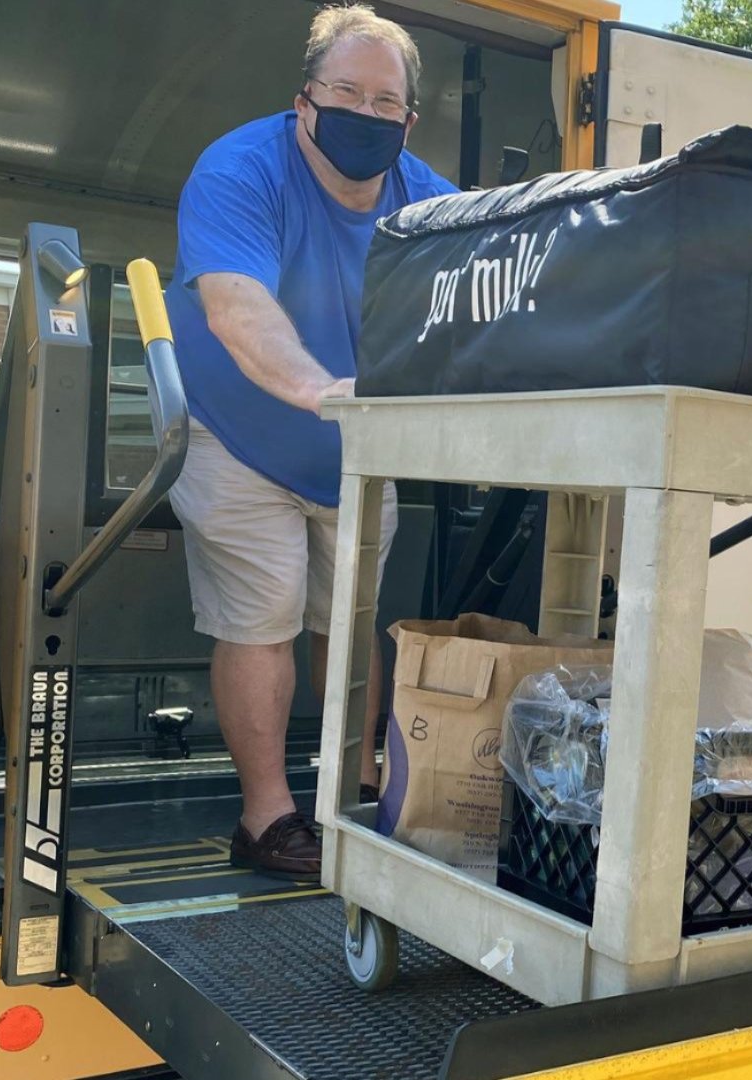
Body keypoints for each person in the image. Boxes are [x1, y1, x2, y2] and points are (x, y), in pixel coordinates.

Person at [163, 3, 458, 877]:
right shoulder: (241, 170)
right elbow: (236, 307)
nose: (365, 114)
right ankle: (267, 819)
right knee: (265, 614)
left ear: (407, 118)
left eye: (385, 102)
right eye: (346, 92)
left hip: (357, 445)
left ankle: (349, 791)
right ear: (305, 101)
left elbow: (488, 306)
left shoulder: (431, 201)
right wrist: (318, 388)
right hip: (240, 429)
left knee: (351, 619)